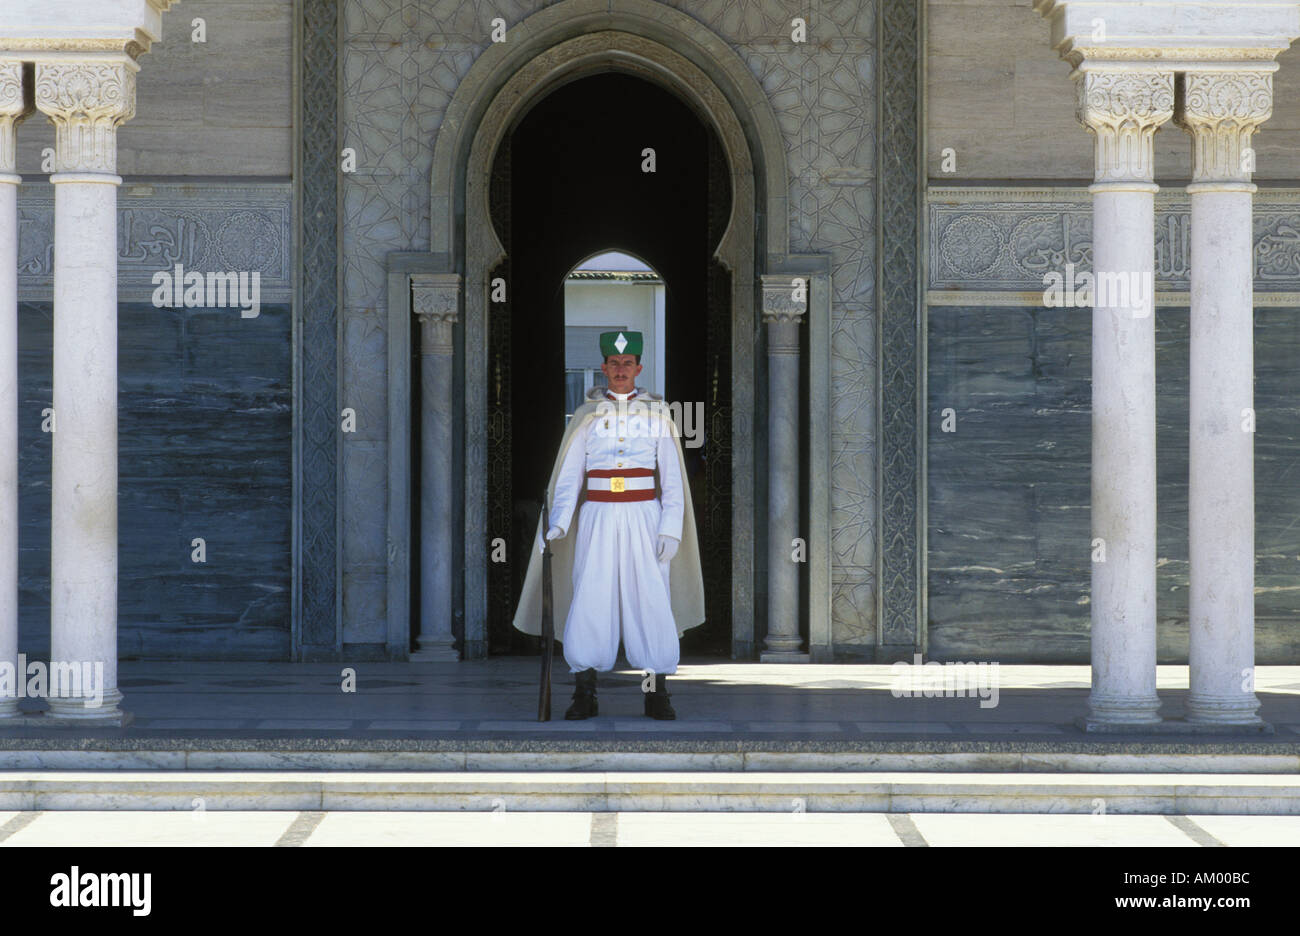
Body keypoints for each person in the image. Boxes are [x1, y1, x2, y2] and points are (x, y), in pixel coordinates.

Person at [512, 331, 705, 719]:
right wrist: (559, 524)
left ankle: (656, 694)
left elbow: (671, 479)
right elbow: (568, 477)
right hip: (597, 515)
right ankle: (585, 693)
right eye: (614, 364)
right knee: (590, 598)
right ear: (603, 368)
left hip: (644, 517)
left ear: (639, 367)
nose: (620, 370)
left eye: (627, 363)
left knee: (650, 600)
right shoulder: (584, 416)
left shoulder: (658, 414)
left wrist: (670, 527)